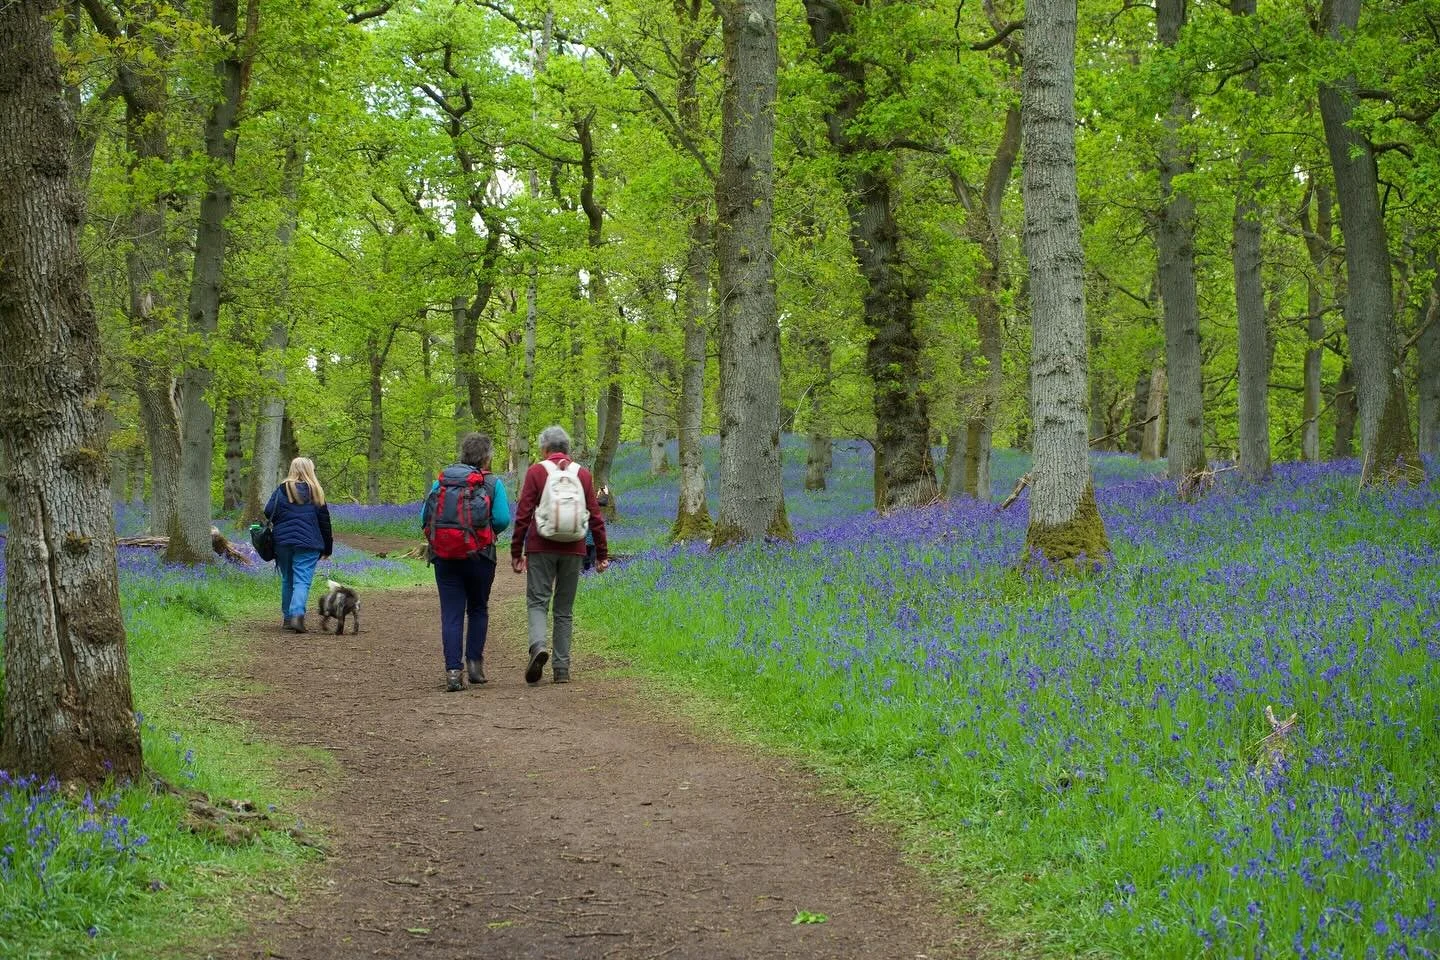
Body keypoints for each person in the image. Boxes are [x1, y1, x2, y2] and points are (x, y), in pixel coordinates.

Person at [510, 426, 608, 684]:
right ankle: (561, 668)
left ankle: (538, 646)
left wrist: (516, 552)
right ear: (567, 449)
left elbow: (523, 514)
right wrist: (601, 554)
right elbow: (596, 517)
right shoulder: (582, 474)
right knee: (564, 609)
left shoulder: (536, 472)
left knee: (537, 602)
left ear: (544, 449)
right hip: (574, 548)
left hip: (540, 547)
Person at [421, 433, 511, 692]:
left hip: (445, 557)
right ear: (487, 458)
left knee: (451, 613)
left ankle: (452, 672)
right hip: (480, 556)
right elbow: (503, 519)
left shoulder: (442, 481)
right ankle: (474, 666)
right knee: (478, 608)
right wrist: (484, 533)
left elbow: (424, 517)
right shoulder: (492, 483)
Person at [264, 457, 333, 634]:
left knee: (288, 579)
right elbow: (324, 522)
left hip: (283, 543)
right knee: (302, 581)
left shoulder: (282, 489)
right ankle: (297, 616)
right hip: (309, 543)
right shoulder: (316, 491)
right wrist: (328, 548)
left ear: (292, 469)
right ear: (310, 470)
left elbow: (268, 511)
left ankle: (288, 619)